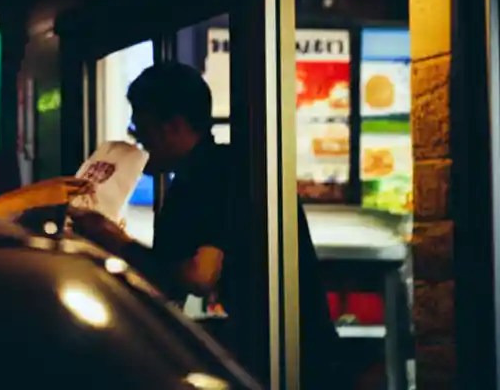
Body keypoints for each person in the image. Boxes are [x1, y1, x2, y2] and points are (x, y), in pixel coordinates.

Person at [69, 62, 341, 388]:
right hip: (284, 352)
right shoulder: (209, 173)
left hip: (290, 358)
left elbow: (198, 276)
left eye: (141, 124)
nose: (135, 134)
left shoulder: (220, 174)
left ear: (175, 125)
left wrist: (117, 241)